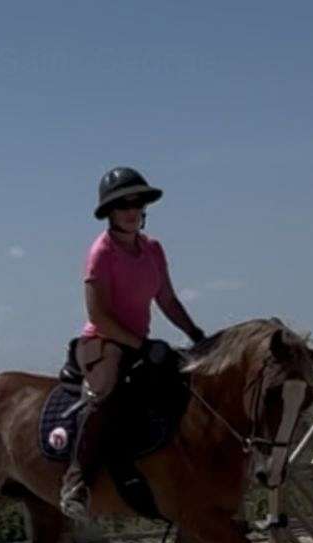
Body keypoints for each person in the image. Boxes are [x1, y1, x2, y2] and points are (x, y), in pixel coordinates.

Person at [59, 166, 207, 520]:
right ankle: (75, 483)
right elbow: (99, 315)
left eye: (136, 202)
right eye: (122, 204)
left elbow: (168, 300)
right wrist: (140, 345)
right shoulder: (101, 252)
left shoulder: (153, 248)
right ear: (109, 212)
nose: (130, 210)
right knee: (105, 392)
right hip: (103, 340)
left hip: (141, 341)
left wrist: (196, 335)